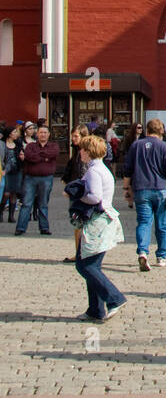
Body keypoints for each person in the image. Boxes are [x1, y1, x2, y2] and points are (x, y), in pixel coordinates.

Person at [74, 134, 126, 322]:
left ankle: (114, 298)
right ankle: (95, 309)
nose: (80, 152)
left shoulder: (94, 171)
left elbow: (95, 197)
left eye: (82, 149)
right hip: (104, 218)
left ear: (88, 151)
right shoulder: (101, 169)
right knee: (91, 264)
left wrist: (76, 198)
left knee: (84, 265)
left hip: (97, 220)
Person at [122, 117, 166, 271]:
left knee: (143, 222)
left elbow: (127, 169)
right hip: (160, 189)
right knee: (162, 224)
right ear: (161, 131)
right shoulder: (165, 147)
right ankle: (161, 256)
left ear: (147, 130)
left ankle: (142, 251)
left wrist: (126, 189)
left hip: (141, 189)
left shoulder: (136, 145)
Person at [15, 123, 59, 236]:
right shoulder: (30, 146)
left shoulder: (54, 146)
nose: (43, 134)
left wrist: (39, 155)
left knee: (43, 204)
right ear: (37, 134)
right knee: (26, 203)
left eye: (45, 132)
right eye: (41, 132)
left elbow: (53, 154)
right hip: (31, 178)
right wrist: (44, 157)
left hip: (46, 178)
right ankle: (21, 228)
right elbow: (29, 157)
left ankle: (44, 228)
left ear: (48, 134)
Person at [60, 125, 89, 263]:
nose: (73, 138)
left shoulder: (84, 153)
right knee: (77, 225)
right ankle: (79, 253)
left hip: (80, 195)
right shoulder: (77, 152)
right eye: (73, 135)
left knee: (80, 225)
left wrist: (74, 190)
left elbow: (82, 174)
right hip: (76, 193)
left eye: (76, 136)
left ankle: (81, 254)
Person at [0, 123, 24, 222]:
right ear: (9, 134)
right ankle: (0, 212)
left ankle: (11, 216)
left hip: (16, 170)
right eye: (14, 132)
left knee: (14, 193)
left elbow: (21, 154)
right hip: (5, 171)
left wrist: (22, 157)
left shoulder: (18, 143)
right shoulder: (3, 143)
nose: (16, 134)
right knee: (6, 193)